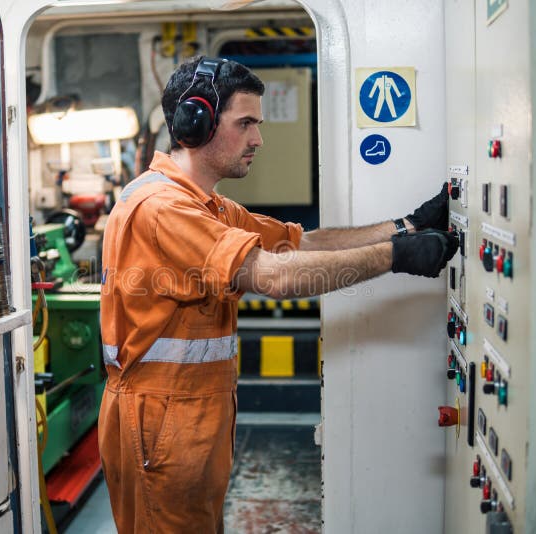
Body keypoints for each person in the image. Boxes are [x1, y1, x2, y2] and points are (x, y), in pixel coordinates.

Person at [98, 56, 457, 533]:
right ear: (195, 121)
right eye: (245, 123)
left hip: (189, 415)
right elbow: (275, 276)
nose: (258, 140)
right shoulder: (162, 208)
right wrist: (396, 256)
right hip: (160, 421)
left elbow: (302, 242)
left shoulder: (205, 206)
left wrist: (405, 226)